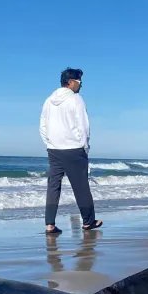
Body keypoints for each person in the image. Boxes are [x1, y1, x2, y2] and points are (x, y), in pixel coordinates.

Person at [40, 67, 100, 234]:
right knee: (81, 186)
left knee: (53, 186)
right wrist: (85, 146)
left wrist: (49, 142)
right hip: (74, 148)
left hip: (54, 148)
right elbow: (83, 126)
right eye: (80, 82)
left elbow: (43, 126)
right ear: (71, 82)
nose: (81, 86)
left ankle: (49, 224)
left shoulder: (48, 100)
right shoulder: (76, 99)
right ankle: (88, 222)